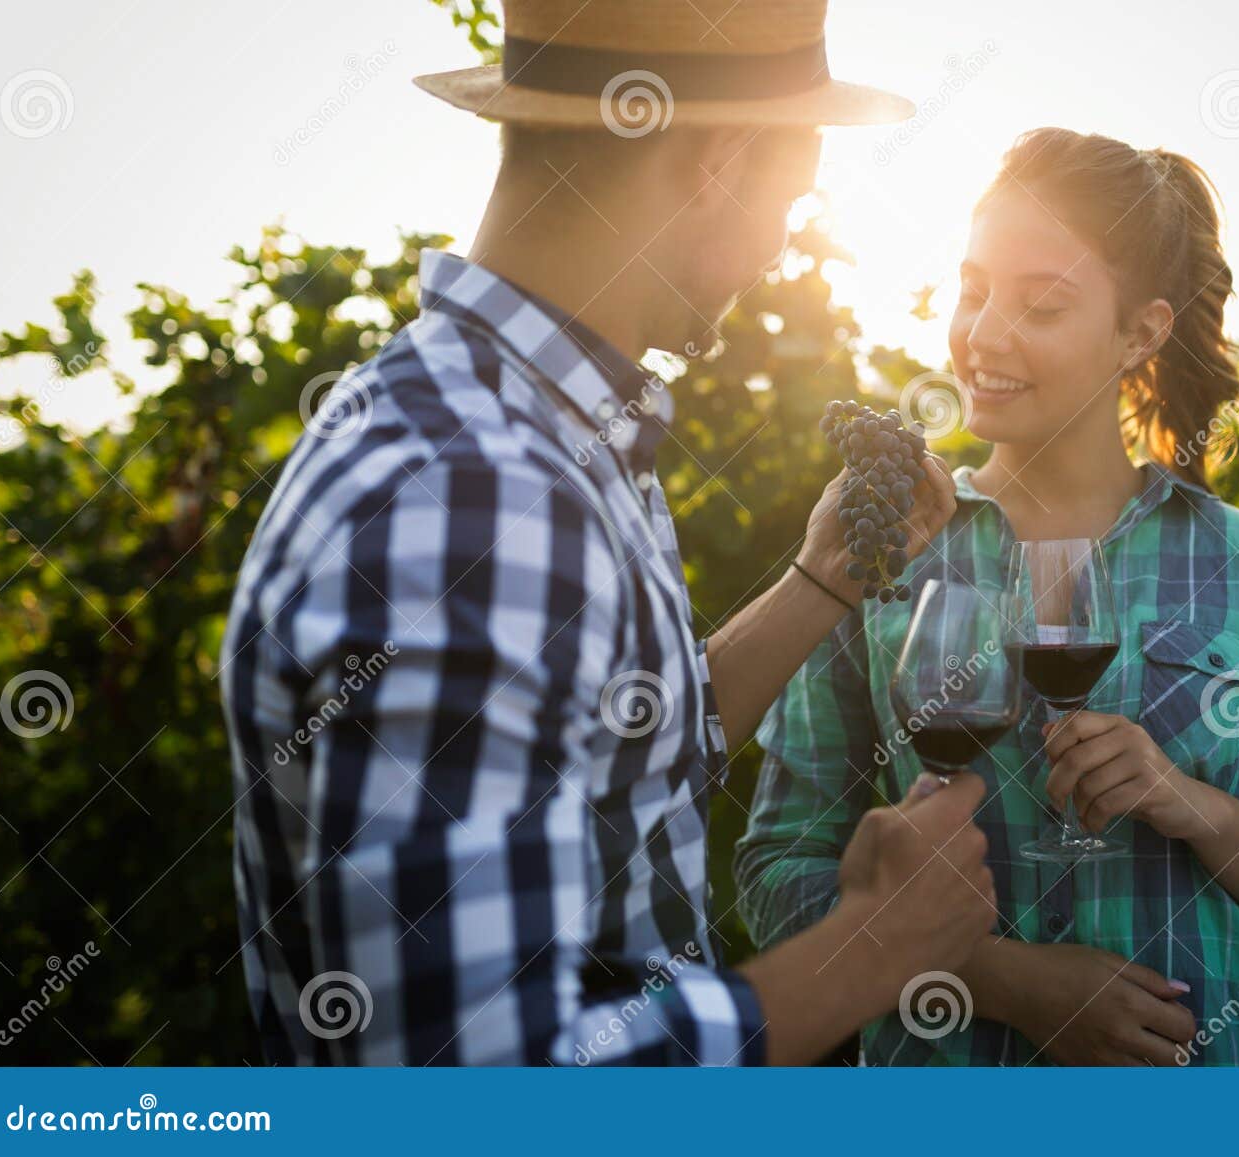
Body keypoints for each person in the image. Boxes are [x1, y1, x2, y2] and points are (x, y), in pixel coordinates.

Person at [219, 0, 996, 1067]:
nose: (779, 248)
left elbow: (617, 763)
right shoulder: (476, 496)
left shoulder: (531, 427)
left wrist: (822, 577)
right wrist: (868, 951)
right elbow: (472, 1082)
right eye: (790, 199)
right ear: (719, 161)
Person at [738, 127, 1239, 1066]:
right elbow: (777, 872)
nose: (983, 333)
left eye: (1040, 306)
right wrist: (1004, 979)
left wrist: (1187, 801)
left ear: (1141, 332)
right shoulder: (877, 548)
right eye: (972, 290)